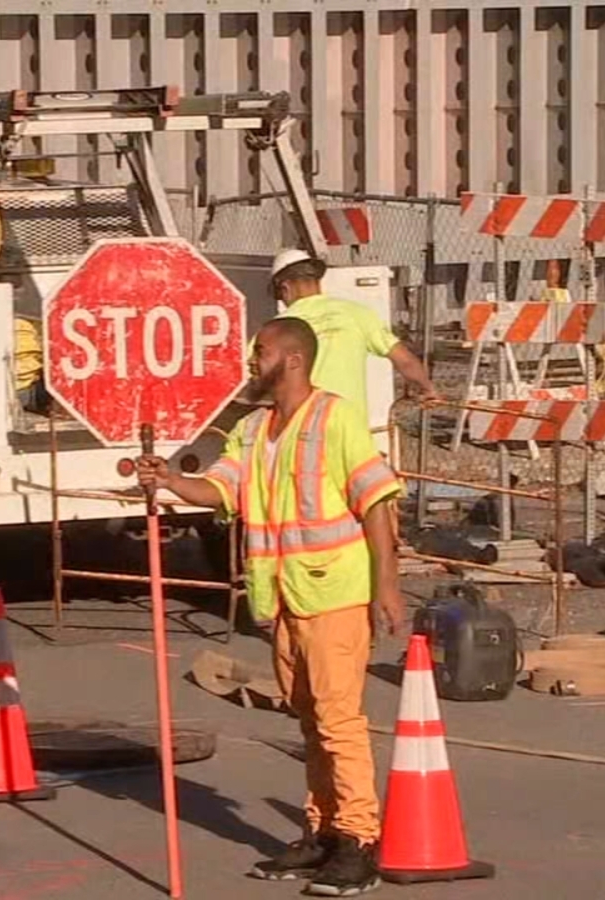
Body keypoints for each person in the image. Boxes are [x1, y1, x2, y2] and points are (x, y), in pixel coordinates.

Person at [136, 317, 405, 896]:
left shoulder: (334, 418)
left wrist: (387, 584)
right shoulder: (254, 428)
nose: (251, 362)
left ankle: (358, 840)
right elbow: (220, 489)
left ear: (293, 359)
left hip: (334, 594)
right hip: (282, 598)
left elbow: (376, 502)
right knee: (309, 720)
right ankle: (322, 831)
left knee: (339, 721)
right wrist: (170, 481)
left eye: (260, 352)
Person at [268, 248, 439, 429]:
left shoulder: (277, 328)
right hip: (352, 430)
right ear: (317, 281)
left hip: (302, 429)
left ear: (285, 288)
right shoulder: (357, 313)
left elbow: (254, 380)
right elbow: (405, 361)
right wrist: (428, 388)